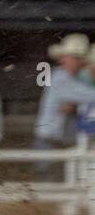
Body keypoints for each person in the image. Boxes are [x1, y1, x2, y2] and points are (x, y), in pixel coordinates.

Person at [34, 34, 95, 171]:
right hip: (49, 141)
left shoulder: (76, 79)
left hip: (60, 140)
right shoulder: (60, 78)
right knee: (48, 181)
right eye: (70, 57)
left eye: (76, 58)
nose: (70, 61)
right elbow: (90, 95)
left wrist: (73, 104)